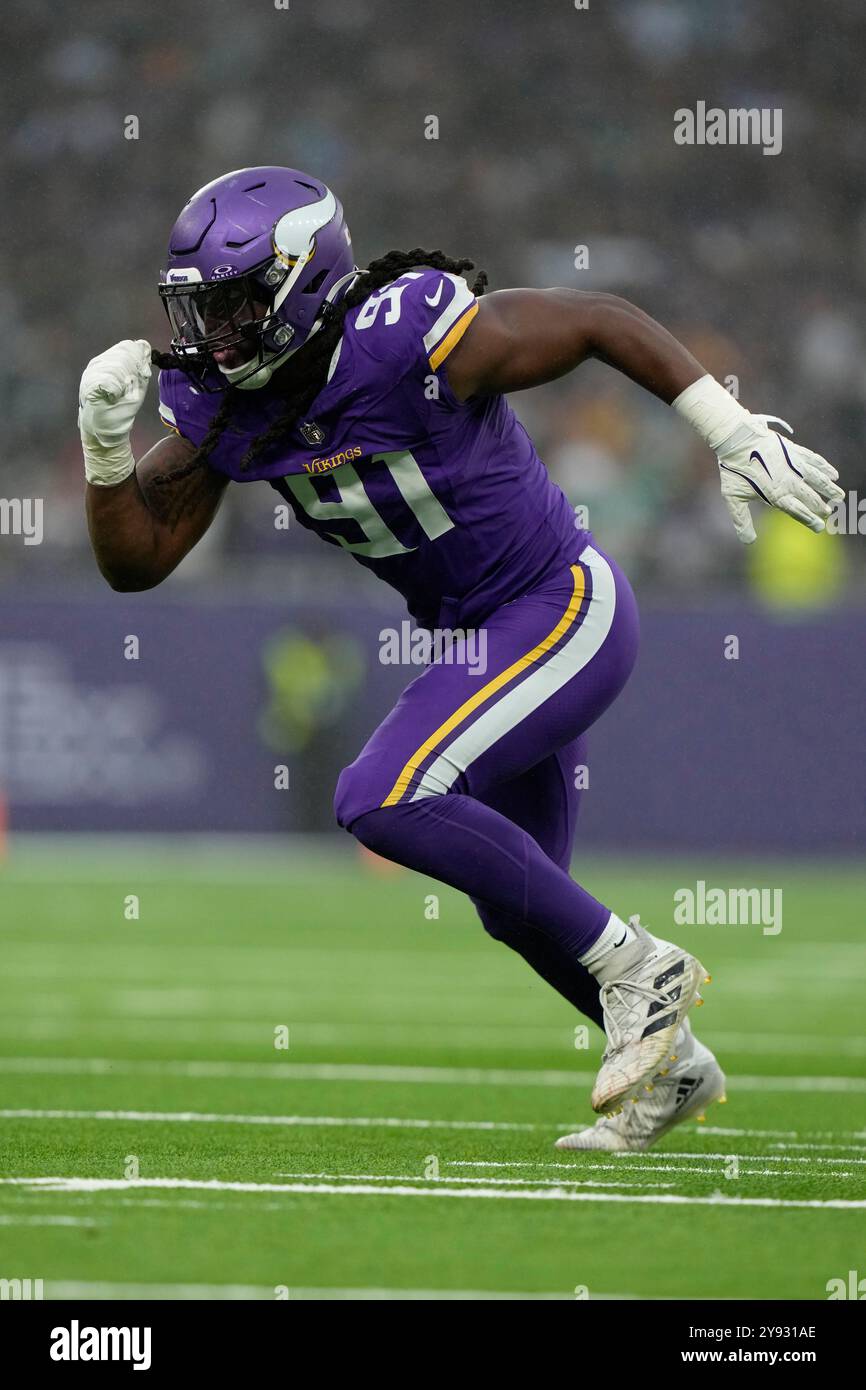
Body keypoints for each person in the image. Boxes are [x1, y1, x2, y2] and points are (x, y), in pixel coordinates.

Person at [79, 167, 842, 1150]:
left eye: (233, 302)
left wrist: (727, 427)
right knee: (517, 903)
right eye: (200, 305)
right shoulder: (225, 401)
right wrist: (106, 449)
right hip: (487, 638)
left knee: (379, 793)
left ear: (301, 283)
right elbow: (137, 562)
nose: (213, 330)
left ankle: (640, 968)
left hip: (560, 605)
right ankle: (674, 1072)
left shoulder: (403, 334)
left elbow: (595, 318)